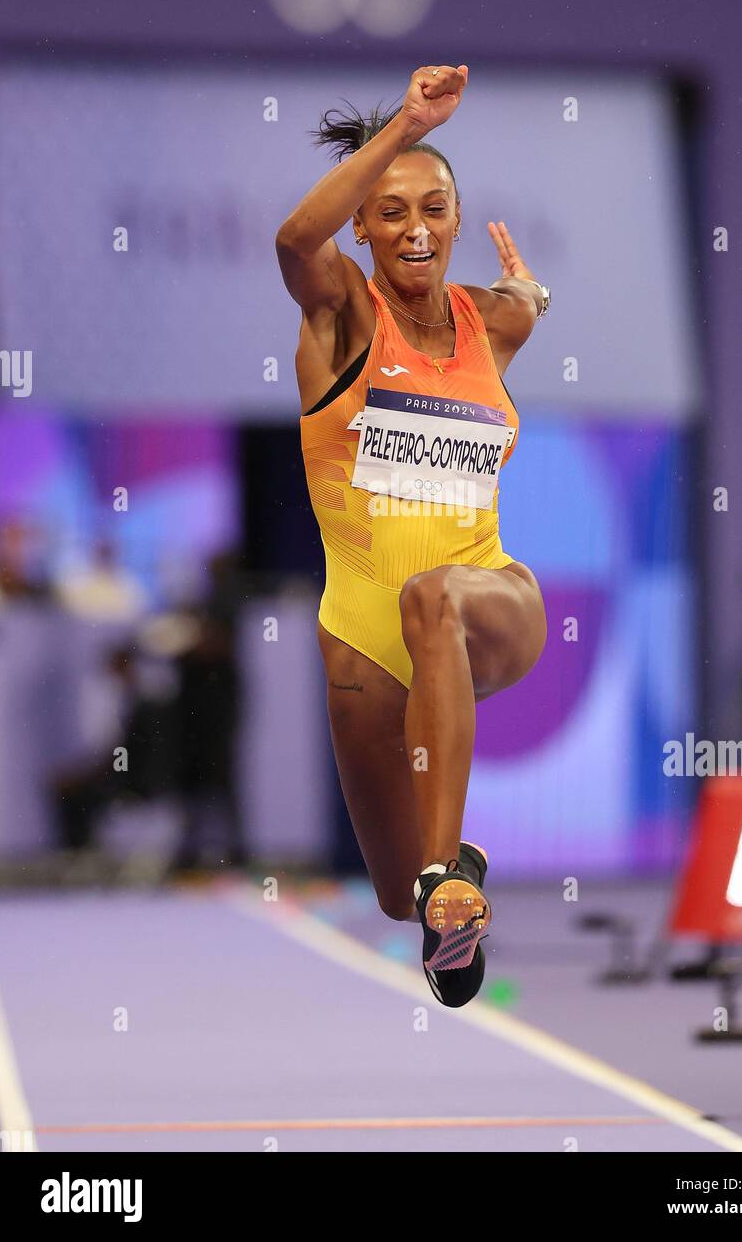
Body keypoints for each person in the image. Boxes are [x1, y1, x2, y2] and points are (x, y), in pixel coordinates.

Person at [275, 64, 548, 1006]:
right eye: (389, 213)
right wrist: (404, 127)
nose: (414, 227)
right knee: (394, 896)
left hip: (484, 598)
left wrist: (533, 297)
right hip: (361, 643)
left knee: (431, 596)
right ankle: (440, 882)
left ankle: (446, 880)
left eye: (433, 207)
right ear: (362, 229)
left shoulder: (492, 323)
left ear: (458, 218)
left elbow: (522, 304)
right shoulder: (337, 314)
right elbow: (292, 236)